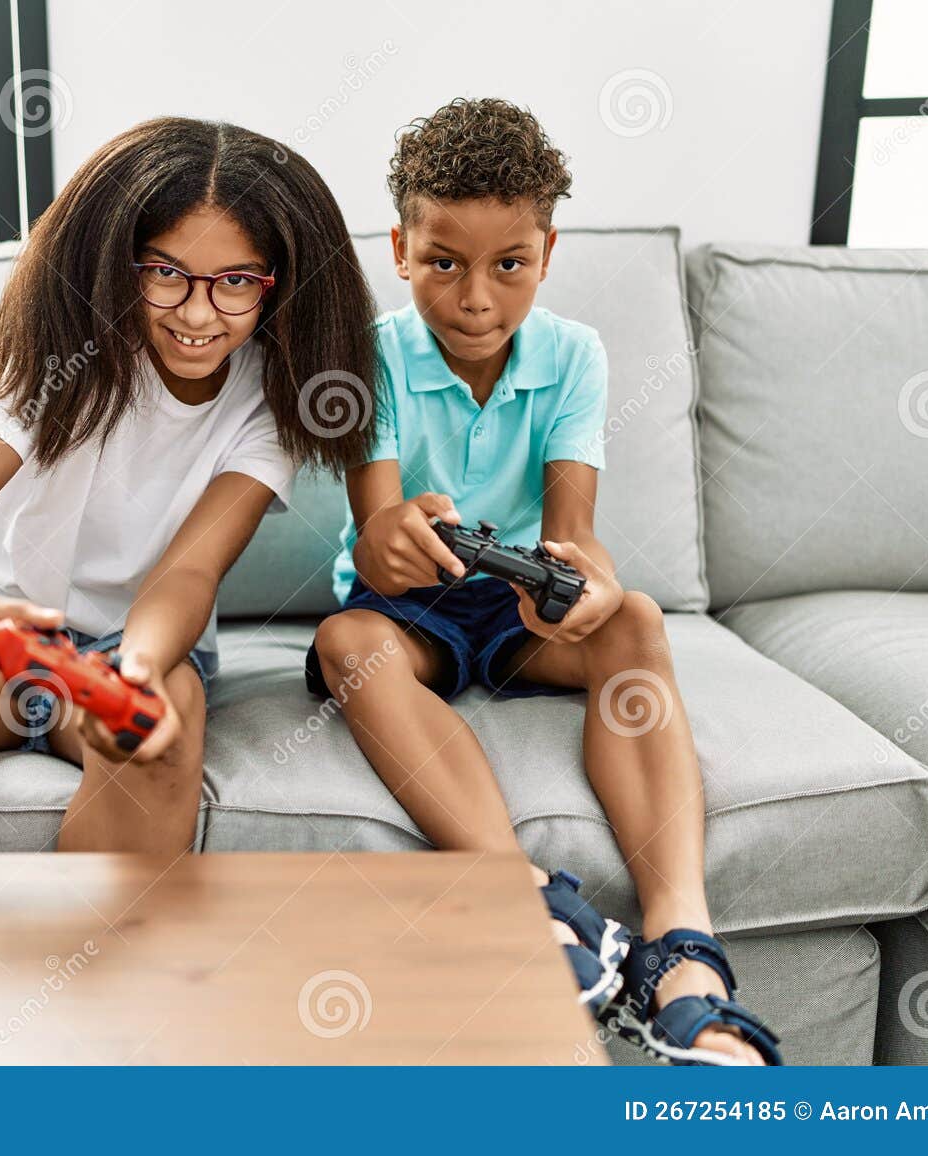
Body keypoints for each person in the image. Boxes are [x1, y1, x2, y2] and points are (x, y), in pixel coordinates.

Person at [307, 98, 781, 1065]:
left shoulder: (574, 356)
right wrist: (396, 538)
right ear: (400, 249)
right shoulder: (367, 353)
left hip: (519, 604)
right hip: (407, 607)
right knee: (345, 644)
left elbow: (574, 537)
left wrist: (591, 589)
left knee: (637, 619)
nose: (475, 298)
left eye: (508, 265)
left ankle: (683, 945)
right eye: (444, 261)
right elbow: (378, 523)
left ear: (547, 255)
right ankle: (522, 899)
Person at [0, 117, 377, 858]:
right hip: (3, 638)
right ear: (123, 264)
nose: (196, 311)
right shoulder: (68, 355)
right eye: (165, 272)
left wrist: (138, 669)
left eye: (237, 282)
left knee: (162, 719)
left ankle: (96, 970)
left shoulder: (269, 400)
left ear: (278, 285)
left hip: (132, 643)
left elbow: (190, 570)